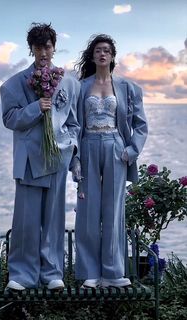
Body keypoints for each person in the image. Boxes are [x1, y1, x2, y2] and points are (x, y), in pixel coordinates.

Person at [0, 23, 80, 290]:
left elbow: (73, 122)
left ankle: (52, 273)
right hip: (29, 161)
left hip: (57, 158)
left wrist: (69, 146)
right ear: (31, 50)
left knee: (55, 220)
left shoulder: (70, 82)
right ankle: (21, 276)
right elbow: (10, 119)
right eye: (38, 47)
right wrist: (36, 108)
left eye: (47, 46)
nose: (43, 52)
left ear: (54, 47)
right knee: (26, 222)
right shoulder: (13, 83)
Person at [72, 34, 148, 288]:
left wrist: (131, 150)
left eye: (106, 50)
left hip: (116, 148)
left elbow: (140, 124)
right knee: (87, 212)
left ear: (112, 56)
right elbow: (72, 124)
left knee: (114, 210)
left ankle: (113, 273)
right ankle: (90, 273)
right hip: (88, 145)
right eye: (97, 51)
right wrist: (75, 158)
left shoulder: (127, 87)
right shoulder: (81, 87)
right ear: (92, 56)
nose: (102, 54)